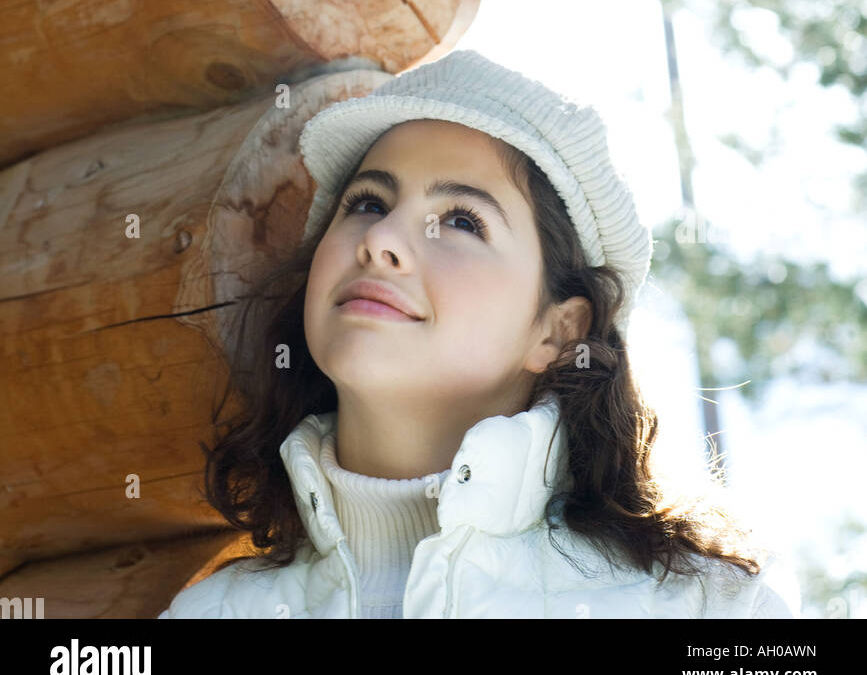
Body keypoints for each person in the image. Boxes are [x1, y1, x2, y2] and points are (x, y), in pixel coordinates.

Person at [157, 48, 799, 619]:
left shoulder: (714, 610)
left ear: (557, 329)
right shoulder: (209, 612)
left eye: (461, 220)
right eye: (369, 204)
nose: (381, 241)